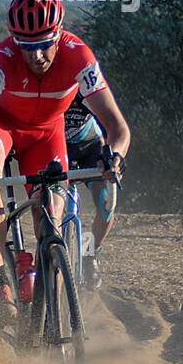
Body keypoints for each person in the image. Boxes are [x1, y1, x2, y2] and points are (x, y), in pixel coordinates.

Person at [0, 0, 130, 323]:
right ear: (14, 40)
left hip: (47, 134)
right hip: (3, 128)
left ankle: (46, 296)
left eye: (43, 44)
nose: (36, 55)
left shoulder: (79, 56)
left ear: (59, 34)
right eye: (26, 46)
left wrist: (115, 157)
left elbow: (118, 128)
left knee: (50, 218)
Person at [63, 94, 117, 289]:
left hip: (90, 149)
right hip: (57, 148)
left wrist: (111, 155)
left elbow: (110, 121)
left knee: (106, 207)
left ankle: (89, 252)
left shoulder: (85, 86)